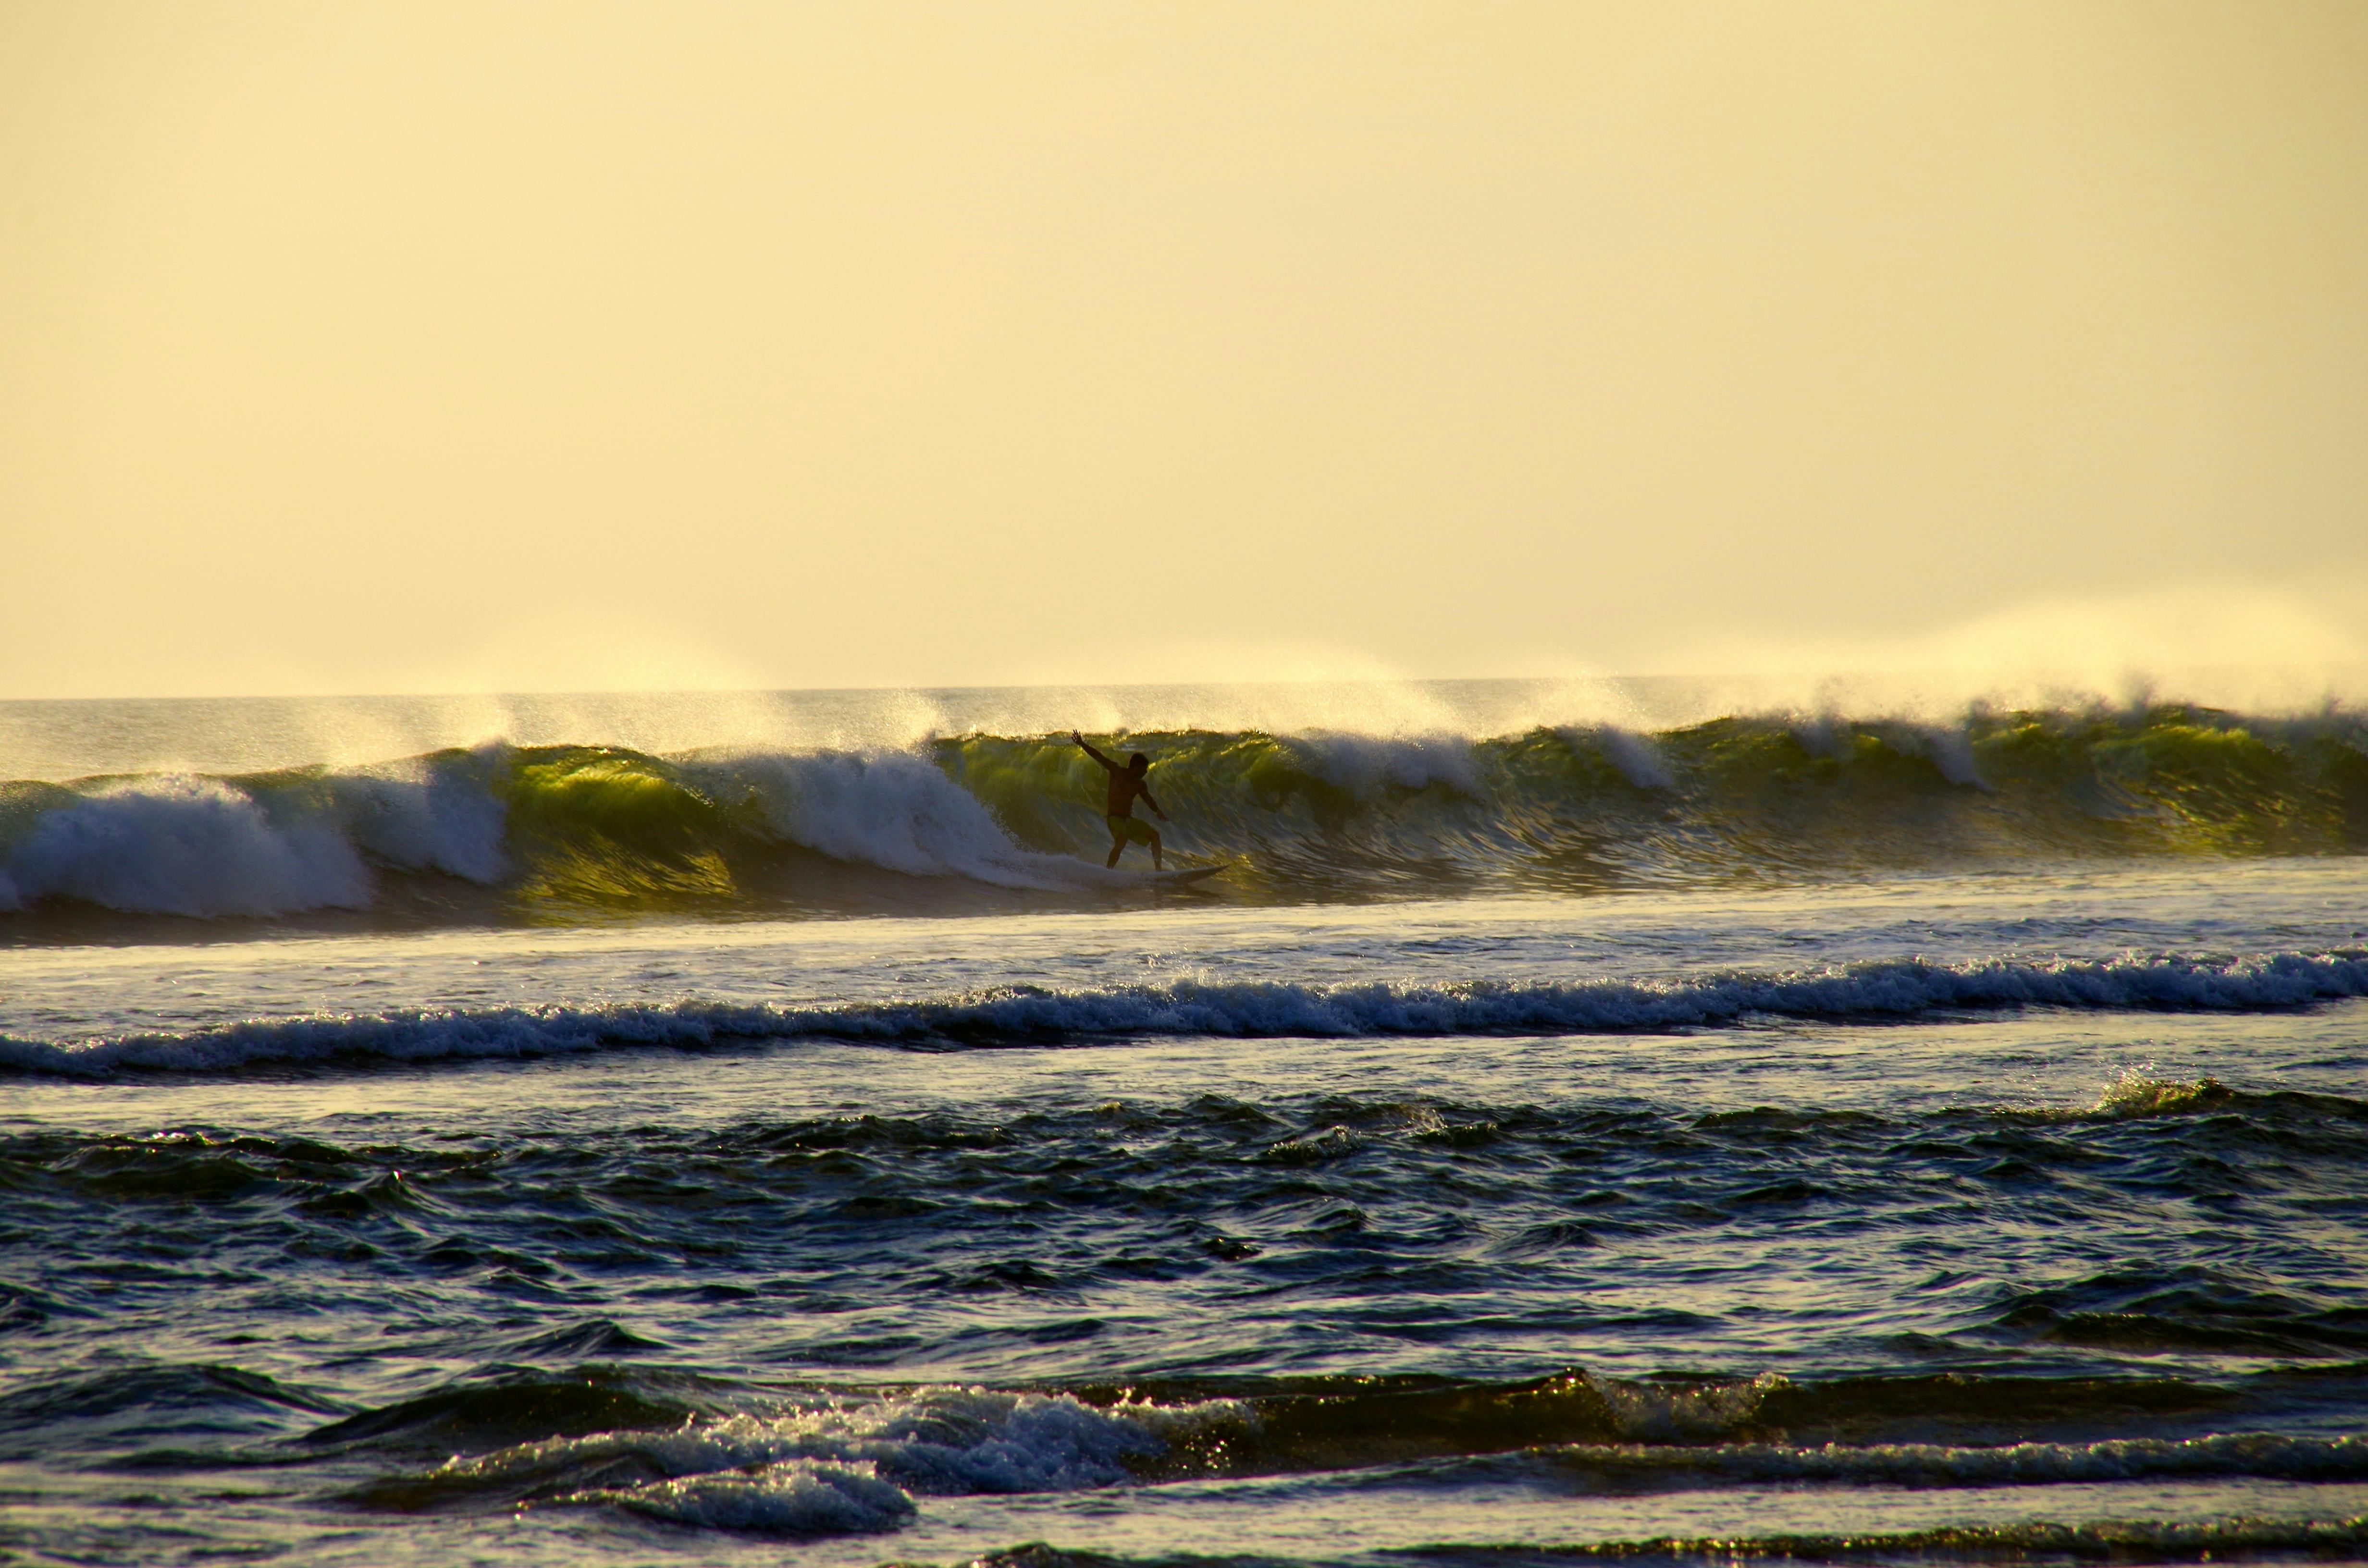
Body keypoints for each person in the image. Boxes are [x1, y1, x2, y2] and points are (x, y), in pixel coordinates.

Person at [1073, 732, 1170, 869]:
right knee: (1122, 839)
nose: (1146, 772)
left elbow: (1149, 800)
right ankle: (1109, 871)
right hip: (1114, 819)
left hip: (1128, 821)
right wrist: (1082, 744)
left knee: (1155, 836)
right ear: (1137, 767)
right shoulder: (1117, 772)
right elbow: (1099, 757)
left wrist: (1158, 811)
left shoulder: (1140, 784)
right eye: (1145, 769)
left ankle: (1159, 871)